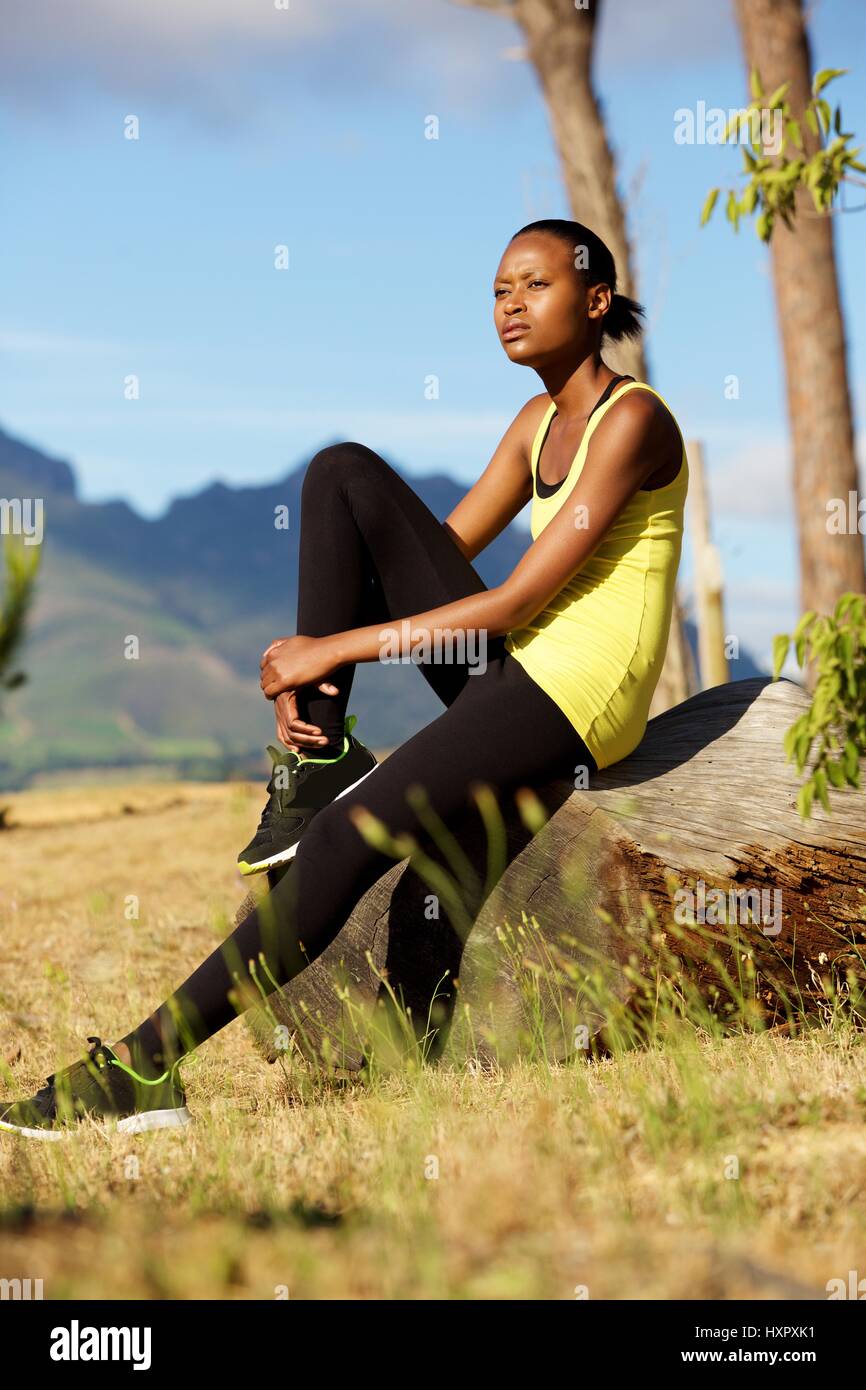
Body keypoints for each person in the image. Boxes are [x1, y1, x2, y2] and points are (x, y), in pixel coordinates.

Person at [0, 219, 688, 1138]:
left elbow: (519, 598)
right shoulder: (536, 423)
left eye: (534, 286)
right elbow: (435, 552)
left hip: (577, 694)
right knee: (343, 474)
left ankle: (143, 1066)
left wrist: (336, 648)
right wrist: (317, 661)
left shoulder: (633, 417)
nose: (511, 307)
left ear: (595, 300)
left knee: (343, 843)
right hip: (519, 669)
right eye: (497, 291)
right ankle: (318, 754)